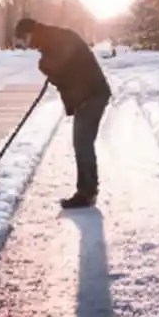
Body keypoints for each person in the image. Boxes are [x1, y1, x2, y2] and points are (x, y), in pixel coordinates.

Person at [14, 17, 111, 209]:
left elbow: (65, 60)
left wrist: (48, 66)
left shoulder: (56, 39)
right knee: (83, 143)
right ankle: (89, 189)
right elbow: (63, 76)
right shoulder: (50, 41)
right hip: (88, 95)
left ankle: (87, 192)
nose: (25, 44)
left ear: (30, 33)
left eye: (23, 39)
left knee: (82, 144)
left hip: (92, 95)